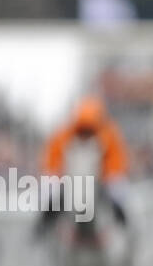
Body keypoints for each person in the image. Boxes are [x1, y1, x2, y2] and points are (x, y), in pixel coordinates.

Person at [41, 95, 132, 227]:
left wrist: (110, 176)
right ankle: (45, 226)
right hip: (69, 181)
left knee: (117, 193)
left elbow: (116, 161)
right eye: (83, 130)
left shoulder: (109, 136)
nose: (85, 135)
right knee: (51, 193)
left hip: (99, 181)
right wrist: (55, 177)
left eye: (89, 131)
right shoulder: (63, 136)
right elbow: (53, 161)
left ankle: (123, 226)